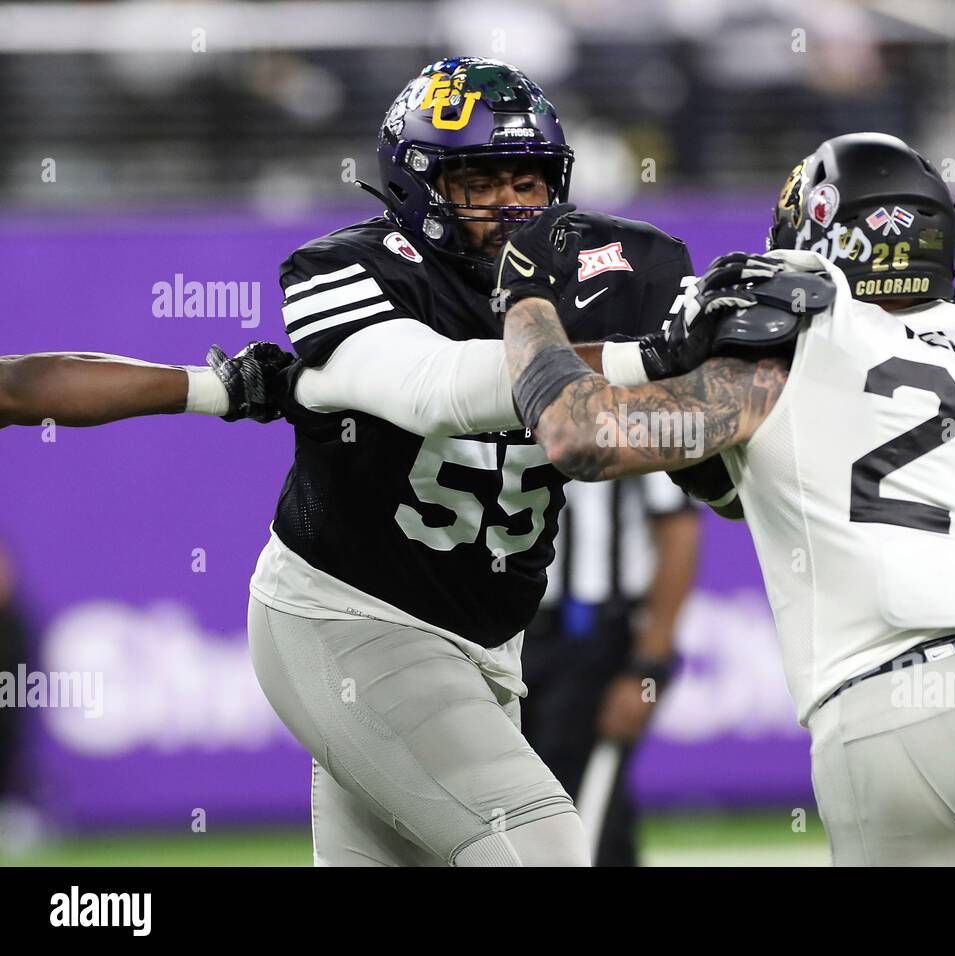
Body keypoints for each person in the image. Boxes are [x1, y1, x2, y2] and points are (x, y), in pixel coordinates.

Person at [0, 56, 712, 867]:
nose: (514, 206)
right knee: (541, 845)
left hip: (486, 641)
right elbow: (435, 391)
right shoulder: (351, 267)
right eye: (483, 181)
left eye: (531, 180)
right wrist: (640, 356)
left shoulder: (604, 274)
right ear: (419, 184)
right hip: (349, 619)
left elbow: (691, 422)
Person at [494, 132, 955, 866]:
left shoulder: (791, 345)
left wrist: (527, 305)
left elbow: (585, 436)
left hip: (883, 719)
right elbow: (769, 485)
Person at [522, 473, 698, 866]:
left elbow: (679, 530)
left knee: (586, 817)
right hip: (501, 641)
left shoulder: (634, 418)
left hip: (591, 644)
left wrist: (647, 667)